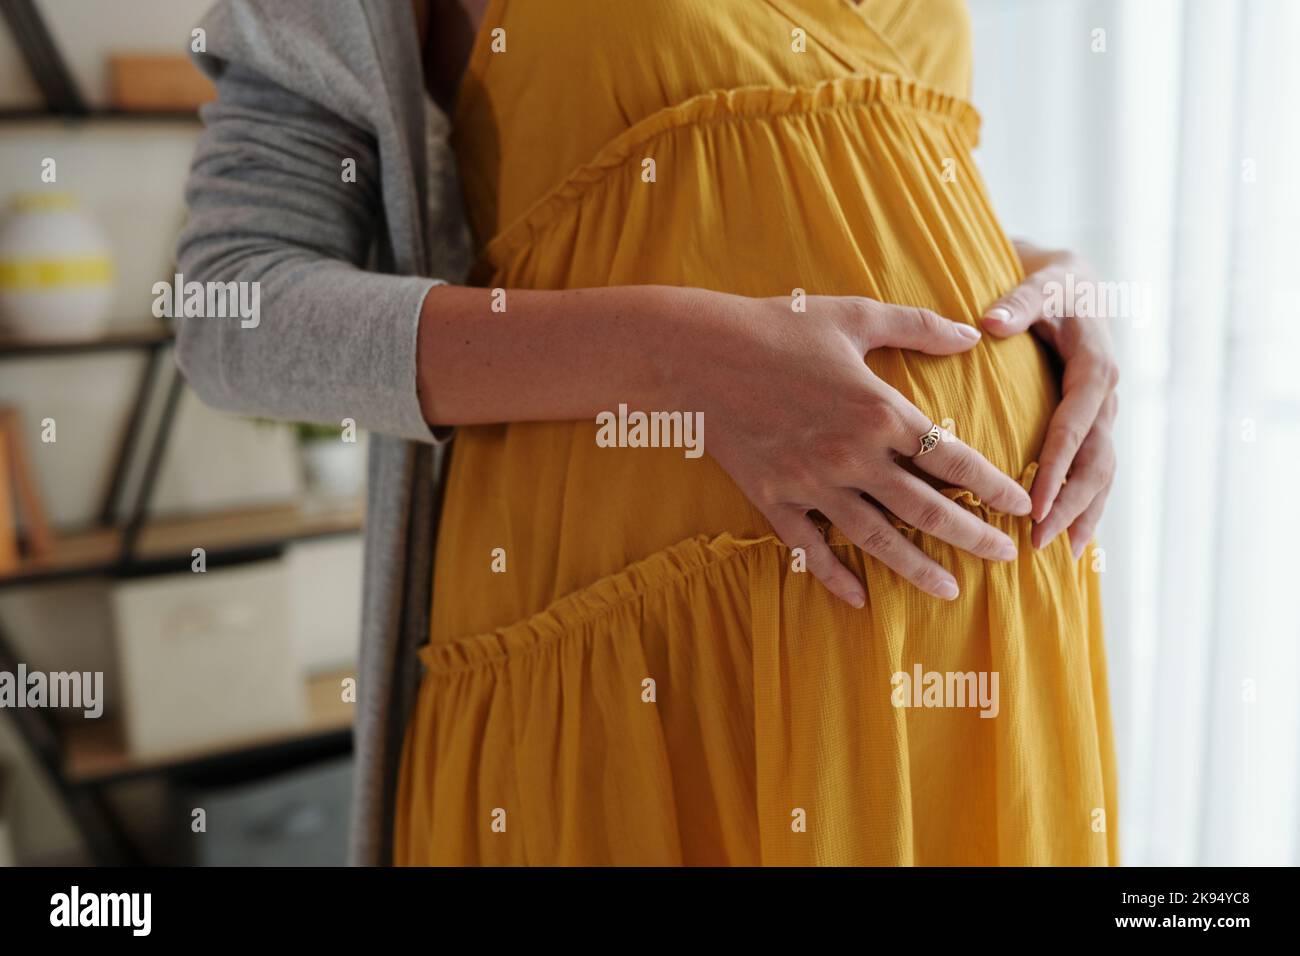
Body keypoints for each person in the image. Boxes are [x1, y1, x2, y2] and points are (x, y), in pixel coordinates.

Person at [179, 0, 1120, 865]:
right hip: (658, 653)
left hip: (994, 631)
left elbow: (848, 161)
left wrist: (1040, 276)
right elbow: (233, 310)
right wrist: (680, 358)